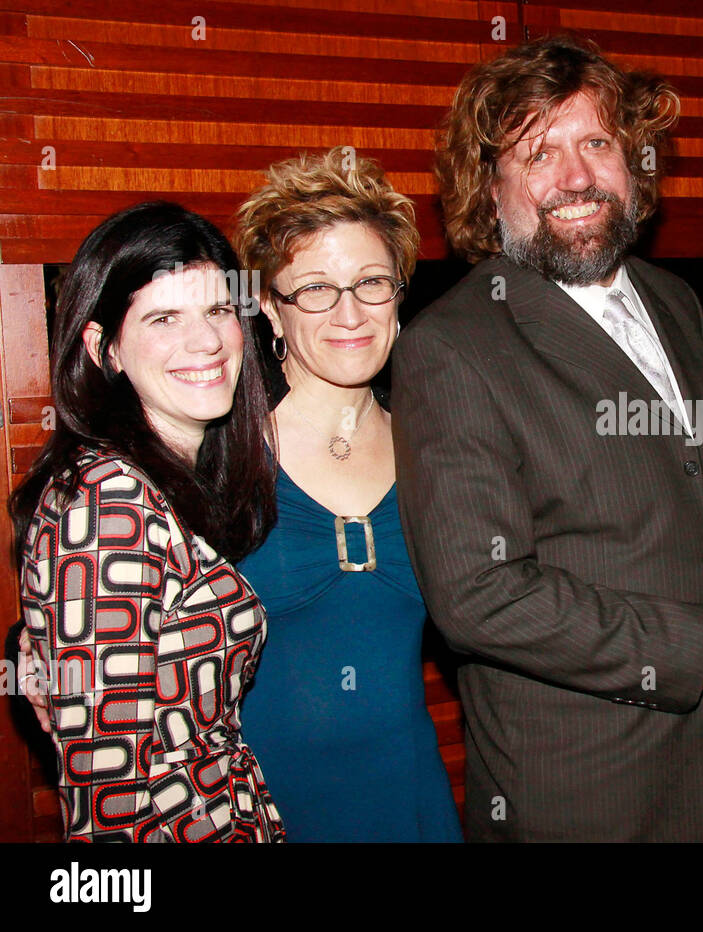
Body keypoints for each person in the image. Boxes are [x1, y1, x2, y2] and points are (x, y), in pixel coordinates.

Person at [392, 35, 703, 841]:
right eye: (538, 153)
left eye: (596, 143)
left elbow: (700, 512)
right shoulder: (452, 344)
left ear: (632, 164)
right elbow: (478, 595)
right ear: (489, 188)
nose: (575, 177)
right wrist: (696, 654)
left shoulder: (675, 301)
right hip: (586, 793)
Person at [9, 202, 284, 842]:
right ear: (105, 350)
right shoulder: (108, 505)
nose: (206, 341)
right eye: (164, 318)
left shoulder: (166, 485)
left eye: (218, 309)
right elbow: (109, 806)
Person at [231, 147, 462, 842]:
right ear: (270, 308)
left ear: (400, 294)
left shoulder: (442, 452)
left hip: (411, 803)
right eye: (315, 289)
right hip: (263, 816)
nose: (349, 312)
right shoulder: (219, 464)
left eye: (370, 282)